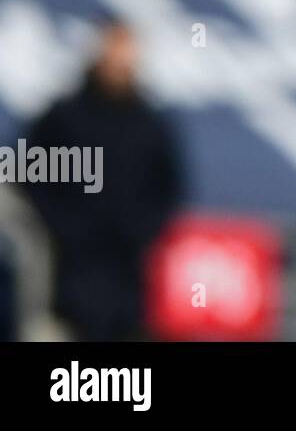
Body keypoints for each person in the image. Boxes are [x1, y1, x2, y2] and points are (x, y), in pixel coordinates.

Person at [21, 17, 184, 341]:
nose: (121, 59)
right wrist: (64, 226)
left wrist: (140, 230)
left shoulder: (150, 124)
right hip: (67, 268)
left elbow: (169, 187)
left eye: (127, 50)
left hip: (128, 271)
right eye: (114, 47)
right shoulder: (65, 117)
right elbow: (28, 175)